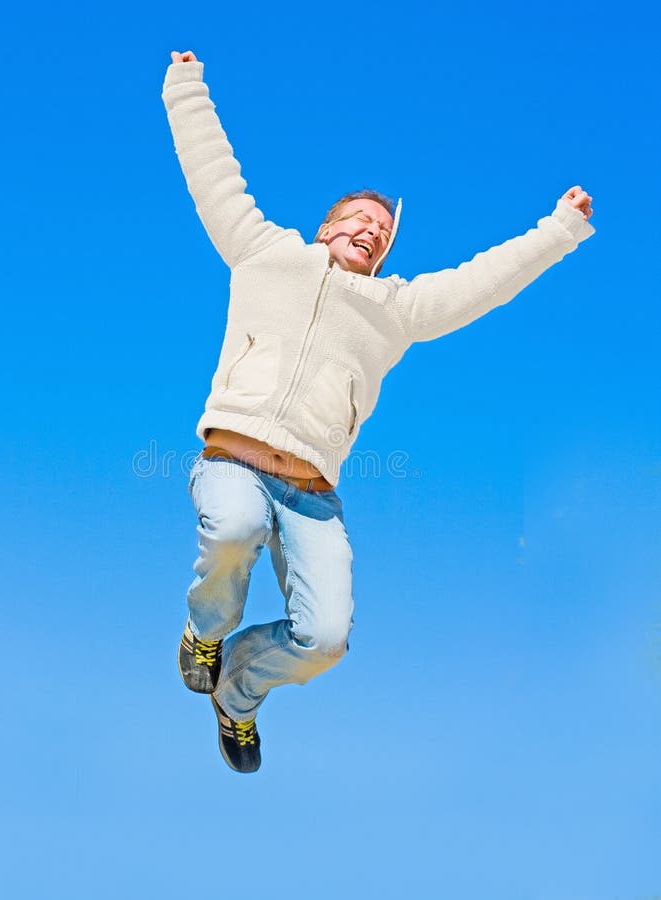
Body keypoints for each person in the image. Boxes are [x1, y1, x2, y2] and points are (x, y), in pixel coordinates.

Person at [162, 49, 595, 773]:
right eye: (354, 219)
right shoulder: (263, 253)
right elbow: (213, 172)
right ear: (325, 225)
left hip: (310, 493)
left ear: (385, 253)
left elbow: (481, 281)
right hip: (233, 459)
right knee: (233, 524)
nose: (367, 229)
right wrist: (185, 84)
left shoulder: (396, 310)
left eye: (380, 231)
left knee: (325, 639)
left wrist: (558, 230)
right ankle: (203, 633)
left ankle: (236, 692)